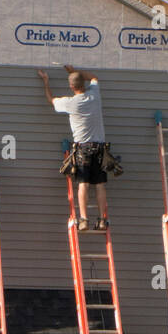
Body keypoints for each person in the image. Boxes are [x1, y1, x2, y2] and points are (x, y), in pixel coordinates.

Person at [39, 64, 109, 231]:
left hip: (83, 149)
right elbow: (93, 77)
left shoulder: (70, 103)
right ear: (83, 84)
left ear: (71, 87)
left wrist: (46, 82)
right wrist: (73, 71)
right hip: (99, 148)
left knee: (83, 184)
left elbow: (51, 100)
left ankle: (83, 220)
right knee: (99, 184)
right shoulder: (94, 95)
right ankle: (101, 220)